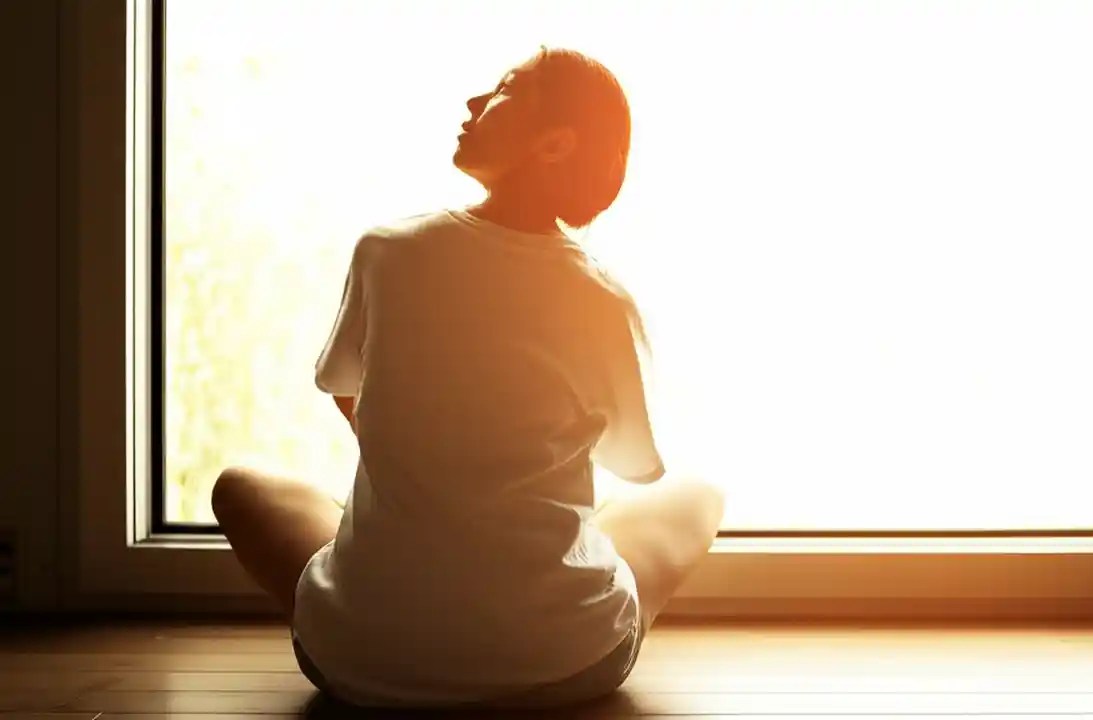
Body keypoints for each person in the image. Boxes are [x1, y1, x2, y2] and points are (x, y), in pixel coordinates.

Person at [210, 46, 726, 709]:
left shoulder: (387, 253)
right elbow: (632, 464)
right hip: (564, 662)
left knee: (240, 488)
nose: (474, 103)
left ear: (555, 143)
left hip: (358, 662)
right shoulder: (601, 299)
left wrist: (430, 476)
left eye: (506, 89)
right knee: (700, 495)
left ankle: (400, 559)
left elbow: (350, 393)